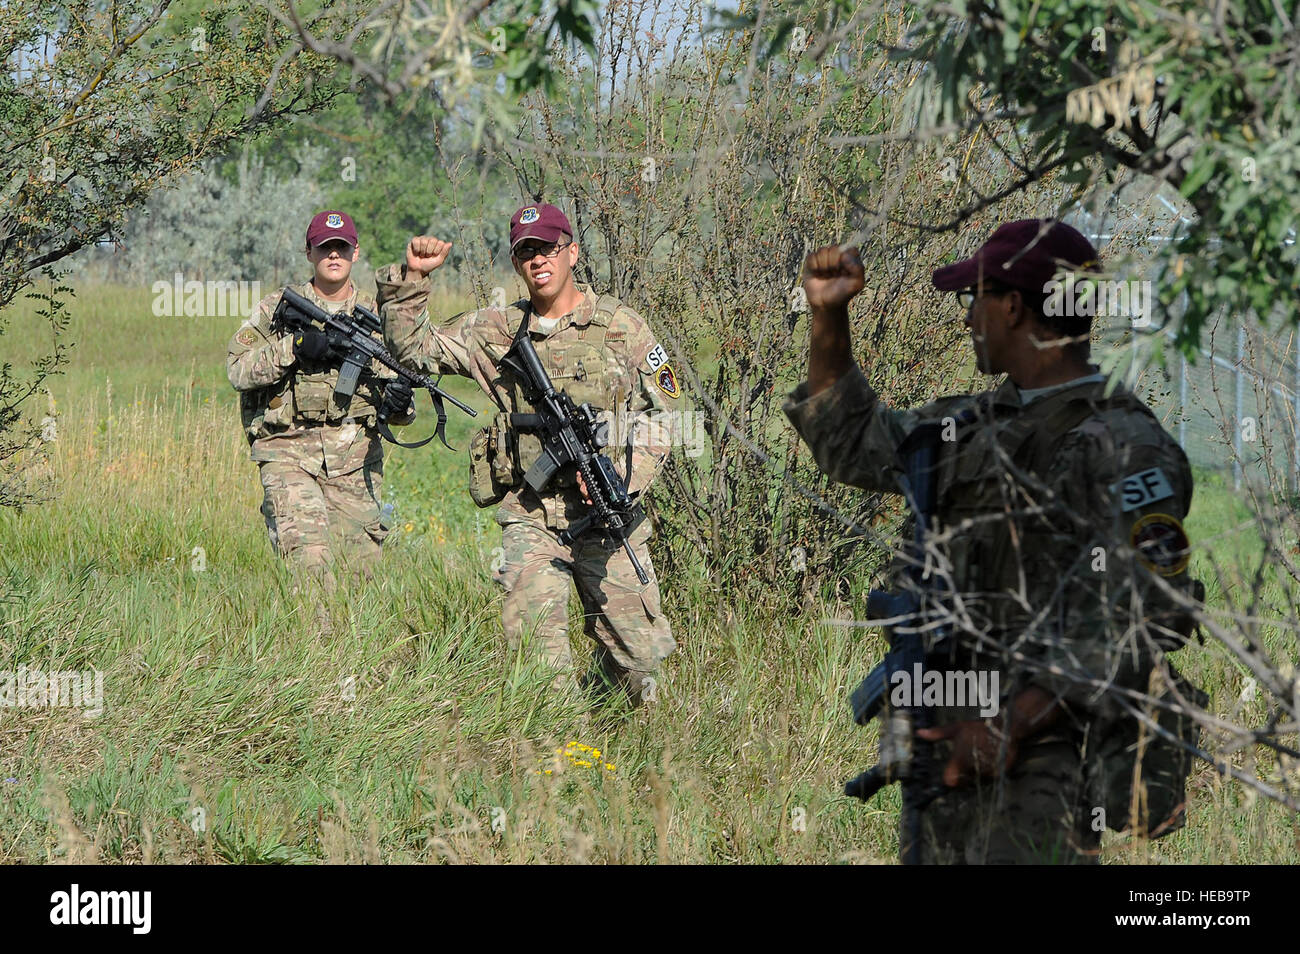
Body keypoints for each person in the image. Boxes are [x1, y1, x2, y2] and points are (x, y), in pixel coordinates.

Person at [785, 219, 1199, 863]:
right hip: (948, 746)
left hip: (1050, 763)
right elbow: (848, 444)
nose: (967, 317)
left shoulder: (1125, 447)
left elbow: (1144, 613)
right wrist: (828, 319)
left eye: (973, 298)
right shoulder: (970, 426)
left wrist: (1012, 726)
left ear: (1011, 306)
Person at [377, 202, 678, 706]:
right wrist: (413, 279)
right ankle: (555, 759)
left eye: (549, 249)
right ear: (518, 265)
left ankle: (620, 738)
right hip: (532, 515)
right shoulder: (495, 329)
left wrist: (622, 480)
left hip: (609, 514)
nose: (539, 261)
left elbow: (665, 415)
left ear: (573, 253)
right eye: (527, 253)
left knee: (640, 663)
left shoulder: (623, 327)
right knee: (537, 658)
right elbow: (412, 350)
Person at [228, 210, 414, 592]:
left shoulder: (377, 318)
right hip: (288, 453)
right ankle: (315, 651)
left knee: (361, 578)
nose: (333, 255)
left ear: (355, 253)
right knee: (310, 562)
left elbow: (401, 406)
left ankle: (357, 652)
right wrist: (293, 347)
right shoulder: (278, 307)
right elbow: (238, 371)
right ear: (309, 252)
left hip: (355, 461)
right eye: (325, 247)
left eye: (341, 248)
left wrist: (399, 404)